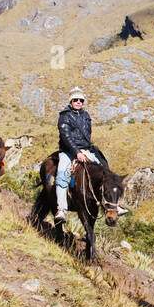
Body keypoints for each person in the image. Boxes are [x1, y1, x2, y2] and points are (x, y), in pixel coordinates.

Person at [55, 87, 101, 223]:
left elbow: (87, 135)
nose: (78, 102)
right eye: (75, 99)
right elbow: (66, 136)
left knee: (103, 172)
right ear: (71, 101)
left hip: (85, 150)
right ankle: (61, 209)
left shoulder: (86, 116)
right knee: (62, 174)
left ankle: (110, 204)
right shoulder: (64, 116)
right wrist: (76, 152)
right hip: (68, 151)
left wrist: (87, 150)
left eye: (81, 100)